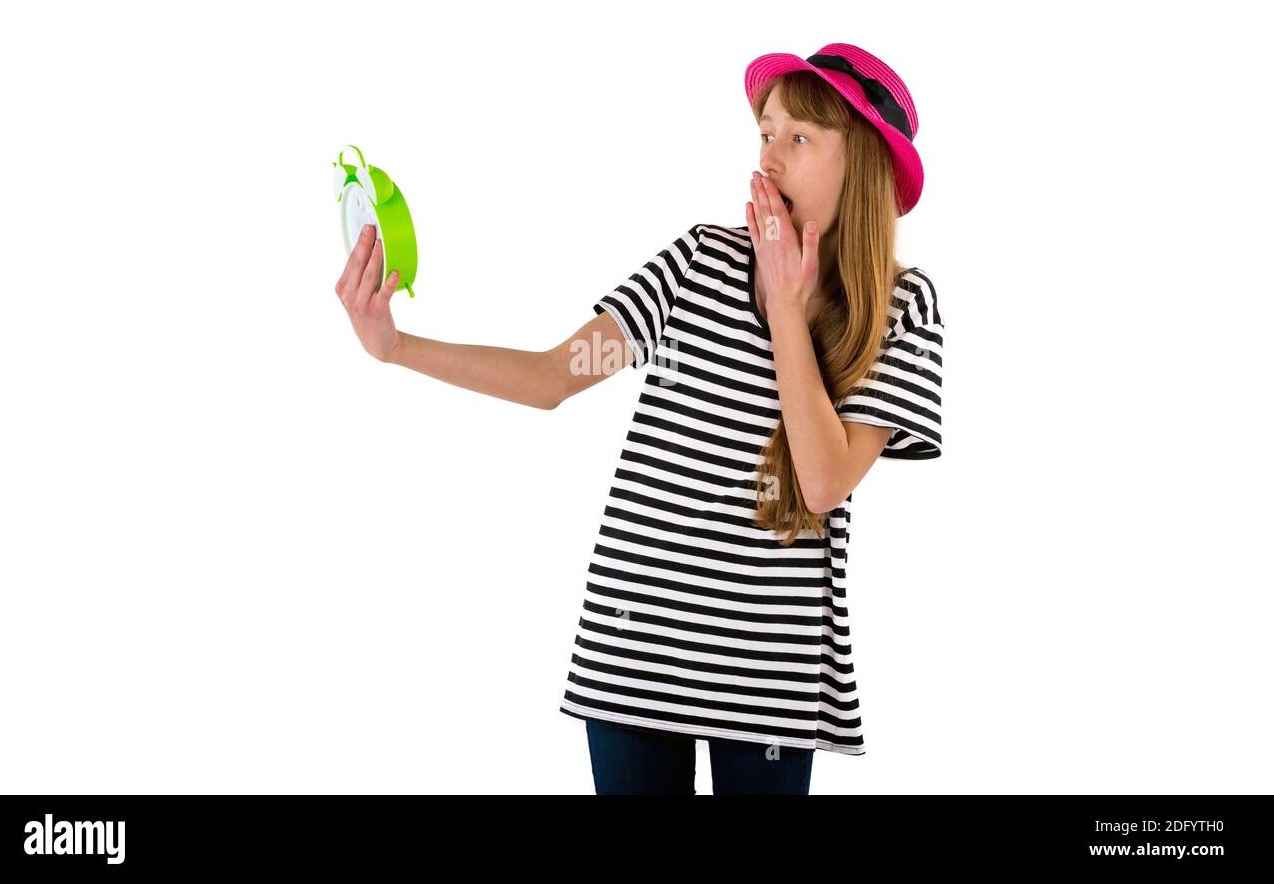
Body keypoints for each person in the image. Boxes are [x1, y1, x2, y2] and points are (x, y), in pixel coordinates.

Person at [334, 43, 943, 795]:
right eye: (765, 132)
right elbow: (555, 375)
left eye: (800, 138)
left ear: (866, 167)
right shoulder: (696, 265)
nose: (770, 158)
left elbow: (821, 481)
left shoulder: (904, 309)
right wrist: (395, 346)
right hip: (634, 649)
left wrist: (786, 306)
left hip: (771, 673)